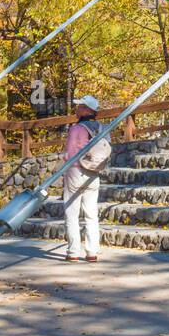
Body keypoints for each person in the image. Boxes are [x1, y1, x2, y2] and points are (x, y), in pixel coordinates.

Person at [62, 95, 106, 263]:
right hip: (93, 173)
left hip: (75, 172)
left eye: (79, 106)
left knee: (72, 213)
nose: (77, 109)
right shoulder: (101, 128)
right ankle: (92, 251)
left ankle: (73, 252)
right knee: (91, 214)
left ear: (87, 109)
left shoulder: (77, 128)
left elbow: (71, 153)